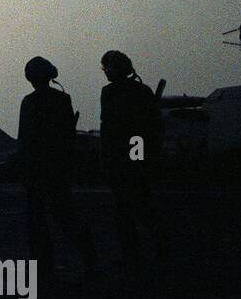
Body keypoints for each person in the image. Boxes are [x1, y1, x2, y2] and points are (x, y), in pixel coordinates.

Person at [17, 56, 95, 276]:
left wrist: (23, 167)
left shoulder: (29, 102)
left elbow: (25, 138)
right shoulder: (63, 99)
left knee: (38, 220)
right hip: (57, 167)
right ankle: (87, 251)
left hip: (37, 169)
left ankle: (43, 265)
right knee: (63, 214)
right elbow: (68, 136)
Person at [100, 50, 166, 274]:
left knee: (125, 211)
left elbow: (108, 128)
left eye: (106, 67)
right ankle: (158, 249)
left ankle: (133, 256)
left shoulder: (109, 93)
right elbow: (154, 126)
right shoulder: (142, 91)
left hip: (122, 159)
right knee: (143, 207)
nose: (105, 71)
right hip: (137, 157)